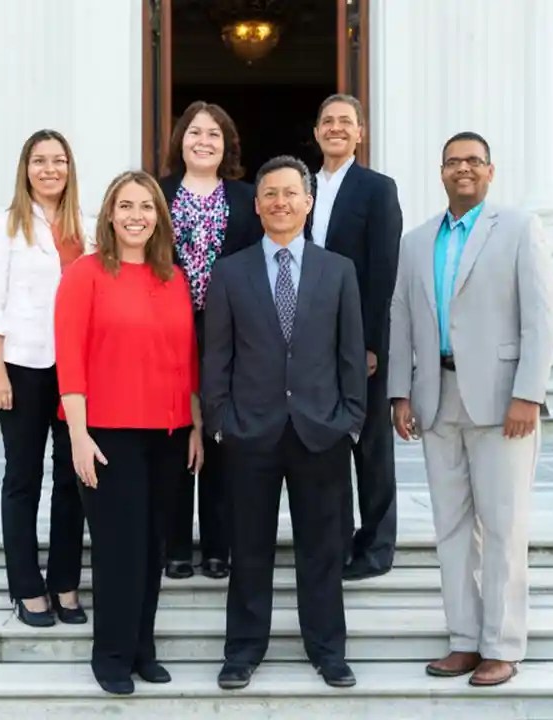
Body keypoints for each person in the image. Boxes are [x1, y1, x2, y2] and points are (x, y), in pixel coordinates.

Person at [387, 132, 553, 687]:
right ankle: (464, 639)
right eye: (453, 162)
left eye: (473, 161)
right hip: (436, 398)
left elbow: (542, 318)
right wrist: (400, 392)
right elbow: (400, 319)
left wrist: (528, 394)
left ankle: (503, 644)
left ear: (491, 171)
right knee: (451, 526)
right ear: (440, 173)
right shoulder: (416, 242)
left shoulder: (517, 229)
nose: (463, 169)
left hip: (502, 401)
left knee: (504, 526)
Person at [203, 156, 366, 691]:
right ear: (257, 204)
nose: (280, 202)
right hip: (251, 433)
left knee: (322, 550)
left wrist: (351, 421)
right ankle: (243, 651)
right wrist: (220, 422)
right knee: (248, 549)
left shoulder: (338, 270)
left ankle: (328, 650)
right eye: (270, 194)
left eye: (291, 193)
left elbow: (350, 356)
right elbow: (217, 357)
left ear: (308, 201)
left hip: (321, 431)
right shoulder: (230, 272)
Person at [55, 170, 204, 696]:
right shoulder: (85, 273)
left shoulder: (173, 278)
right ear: (110, 214)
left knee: (153, 548)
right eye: (126, 205)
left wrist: (195, 426)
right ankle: (111, 655)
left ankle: (143, 647)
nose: (136, 215)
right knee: (119, 549)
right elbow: (68, 358)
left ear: (159, 216)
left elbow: (187, 358)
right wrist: (77, 434)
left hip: (167, 433)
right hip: (107, 433)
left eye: (146, 205)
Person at [0, 129, 89, 629]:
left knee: (72, 479)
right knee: (23, 479)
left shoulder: (85, 228)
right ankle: (27, 588)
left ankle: (64, 583)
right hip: (22, 367)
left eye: (58, 161)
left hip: (74, 371)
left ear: (70, 168)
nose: (50, 169)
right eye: (40, 161)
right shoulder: (6, 226)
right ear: (25, 169)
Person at [158, 100, 263, 581]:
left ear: (227, 145)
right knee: (175, 433)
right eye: (195, 132)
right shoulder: (156, 194)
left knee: (221, 435)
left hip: (228, 331)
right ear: (181, 139)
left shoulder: (246, 199)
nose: (203, 141)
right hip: (167, 329)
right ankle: (175, 544)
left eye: (214, 134)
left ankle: (219, 546)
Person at [306, 93, 404, 581]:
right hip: (310, 340)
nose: (337, 128)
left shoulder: (377, 189)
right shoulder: (301, 188)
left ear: (360, 133)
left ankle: (378, 544)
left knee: (370, 444)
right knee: (326, 444)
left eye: (346, 122)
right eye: (328, 121)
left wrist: (371, 345)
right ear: (317, 131)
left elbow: (384, 272)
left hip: (359, 339)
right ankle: (337, 541)